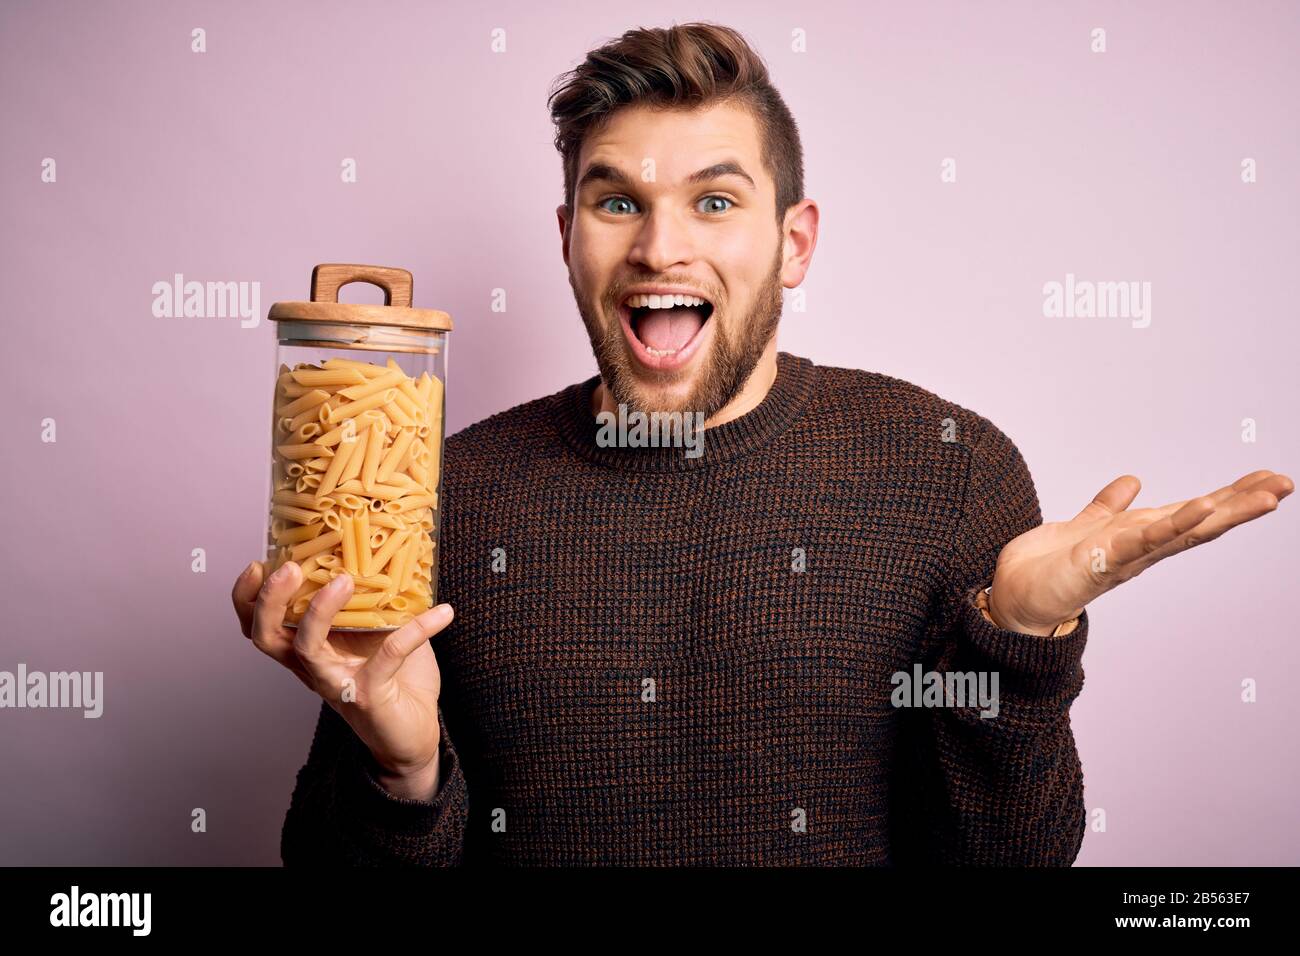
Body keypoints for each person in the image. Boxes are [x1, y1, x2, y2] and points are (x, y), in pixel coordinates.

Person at [231, 22, 1292, 866]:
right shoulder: (445, 497)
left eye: (715, 200)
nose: (659, 244)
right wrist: (401, 770)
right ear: (565, 238)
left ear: (792, 242)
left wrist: (1013, 644)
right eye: (616, 200)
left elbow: (1007, 862)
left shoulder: (947, 469)